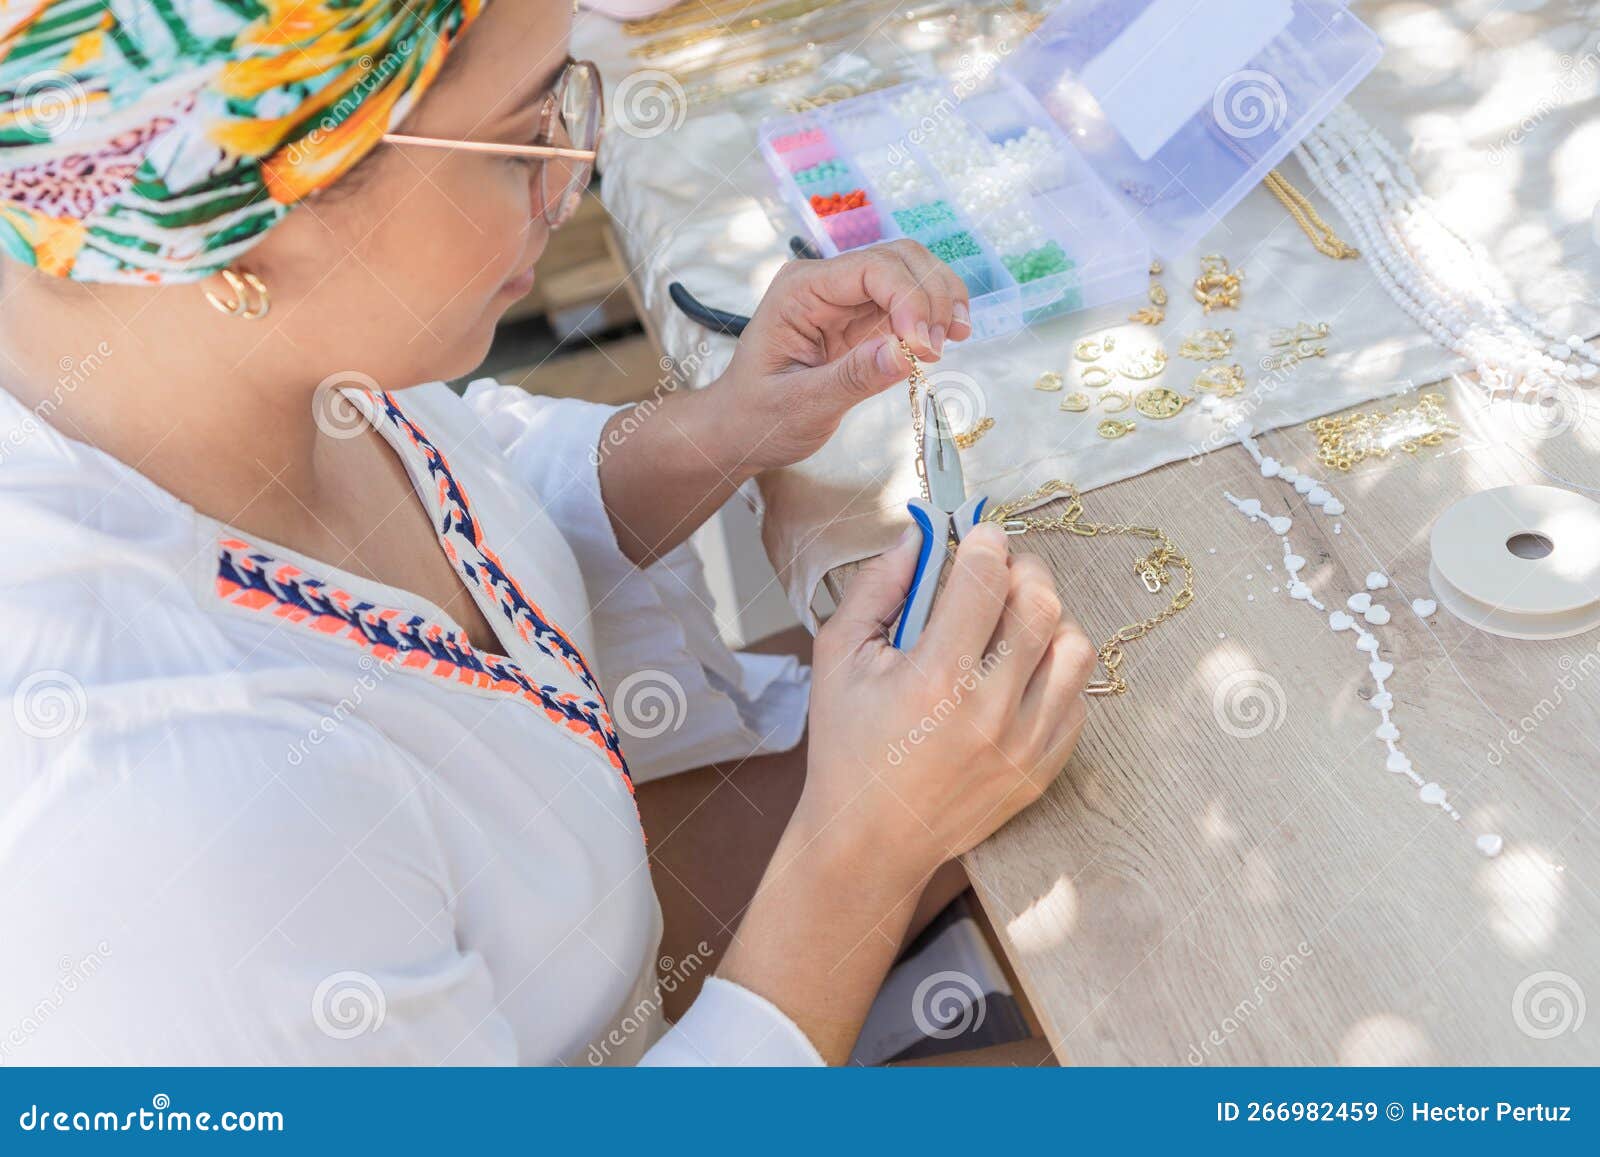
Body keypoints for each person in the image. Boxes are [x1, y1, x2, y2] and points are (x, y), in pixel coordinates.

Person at [0, 0, 1093, 1065]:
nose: (571, 171)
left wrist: (725, 426)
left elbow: (470, 508)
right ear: (252, 212)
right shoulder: (172, 827)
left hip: (613, 930)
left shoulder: (198, 357)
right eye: (524, 131)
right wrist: (864, 845)